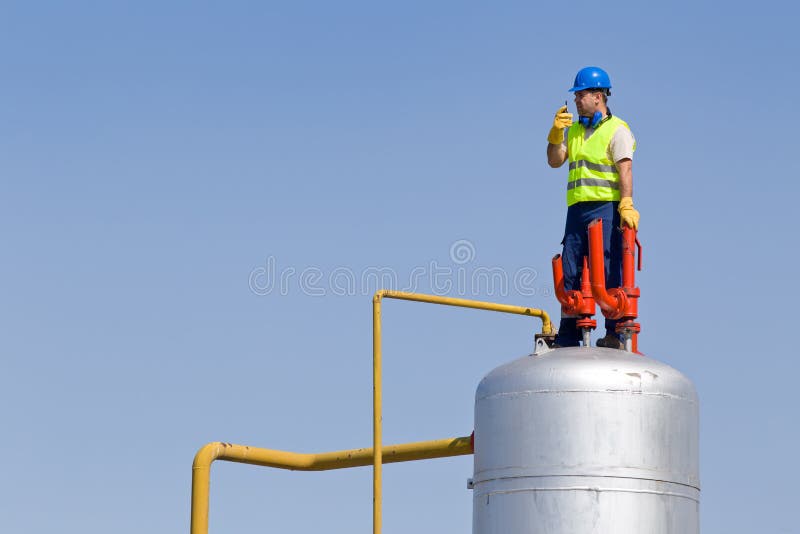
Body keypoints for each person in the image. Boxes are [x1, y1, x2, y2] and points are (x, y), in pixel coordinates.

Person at [546, 66, 639, 349]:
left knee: (608, 269)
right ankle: (568, 334)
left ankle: (612, 332)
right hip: (576, 210)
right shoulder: (573, 130)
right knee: (571, 271)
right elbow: (554, 160)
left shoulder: (617, 130)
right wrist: (554, 135)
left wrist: (626, 203)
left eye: (581, 94)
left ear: (598, 96)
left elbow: (625, 169)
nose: (576, 100)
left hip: (605, 209)